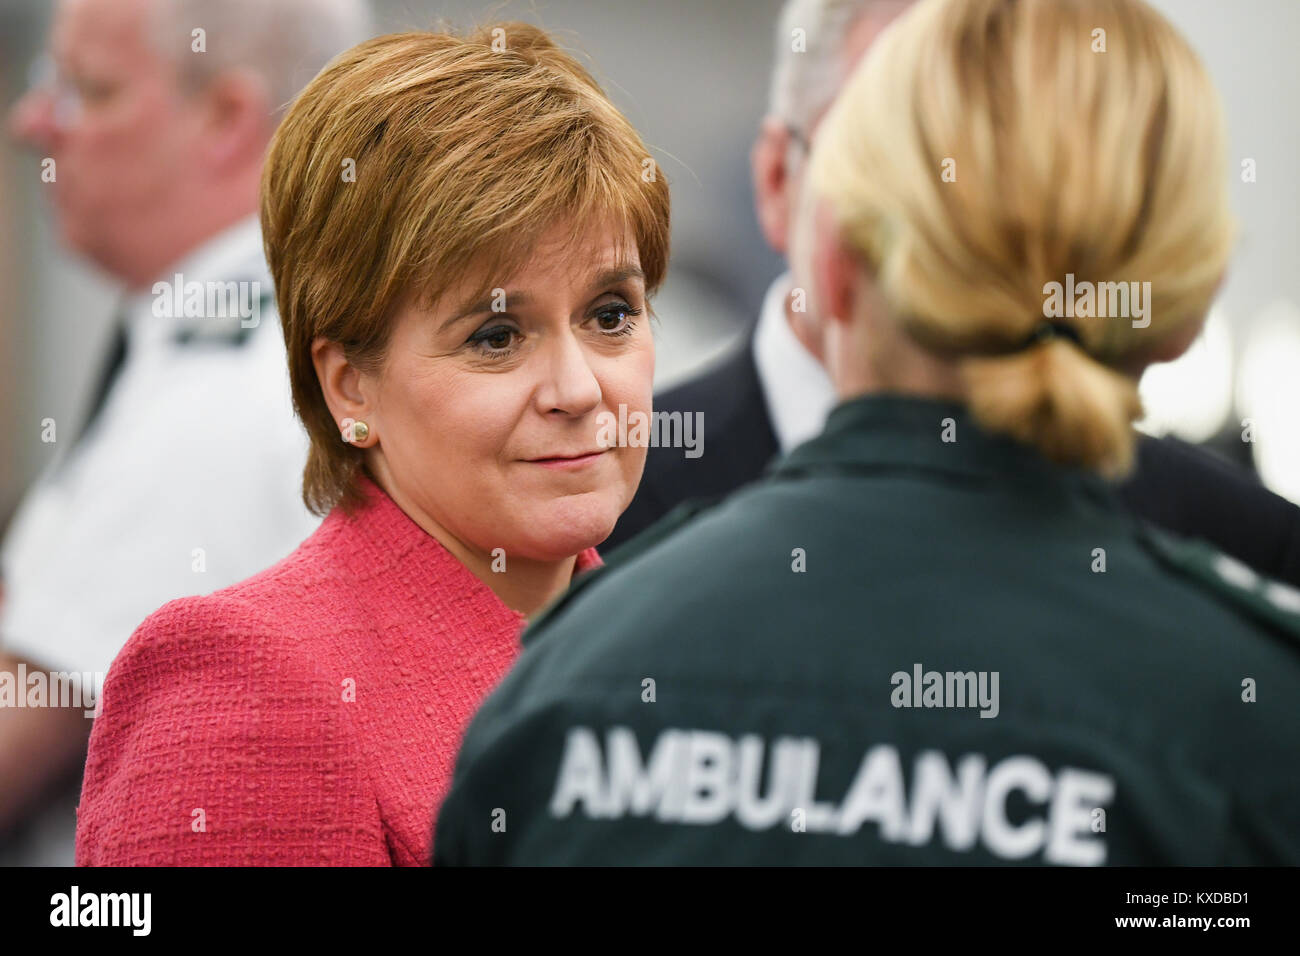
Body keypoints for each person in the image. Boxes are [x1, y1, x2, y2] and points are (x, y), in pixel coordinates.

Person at [435, 0, 1300, 866]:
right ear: (1187, 305)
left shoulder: (565, 680)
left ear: (834, 257)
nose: (574, 390)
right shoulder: (1253, 722)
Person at [75, 22, 671, 866]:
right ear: (350, 385)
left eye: (610, 316)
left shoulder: (683, 649)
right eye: (497, 335)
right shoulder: (246, 686)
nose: (579, 389)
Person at [604, 0, 1300, 592]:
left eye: (1002, 159)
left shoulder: (1246, 549)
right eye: (889, 156)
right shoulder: (587, 512)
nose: (958, 215)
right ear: (781, 186)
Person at [0, 0, 370, 862]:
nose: (32, 124)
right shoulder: (261, 330)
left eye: (84, 90)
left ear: (226, 119)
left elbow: (18, 725)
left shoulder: (226, 393)